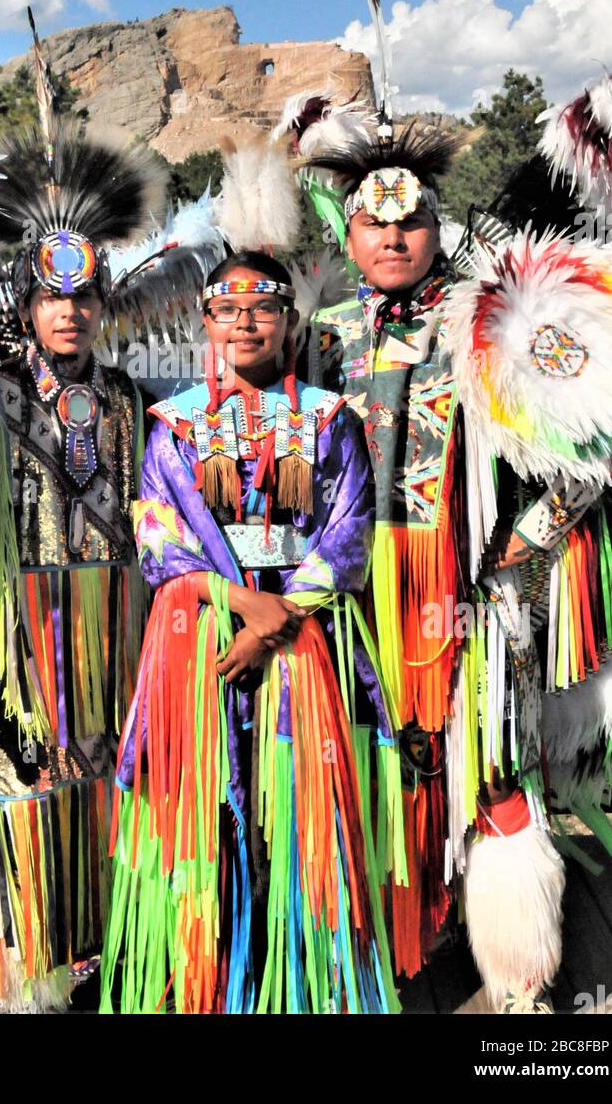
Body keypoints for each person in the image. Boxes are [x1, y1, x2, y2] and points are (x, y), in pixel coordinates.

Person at [302, 110, 612, 1013]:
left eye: (410, 222)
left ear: (434, 227)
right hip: (351, 595)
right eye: (374, 225)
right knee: (371, 760)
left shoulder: (494, 315)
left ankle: (518, 973)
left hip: (472, 591)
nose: (393, 239)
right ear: (348, 231)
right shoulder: (324, 332)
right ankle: (395, 934)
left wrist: (517, 562)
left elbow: (602, 452)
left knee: (494, 762)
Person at [0, 117, 165, 1012]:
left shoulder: (128, 398)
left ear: (101, 304)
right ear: (26, 298)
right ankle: (24, 982)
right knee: (25, 805)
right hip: (19, 651)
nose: (70, 310)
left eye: (85, 295)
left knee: (110, 804)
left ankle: (105, 963)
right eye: (53, 296)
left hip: (118, 645)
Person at [100, 250, 398, 1014]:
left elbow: (348, 535)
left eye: (261, 309)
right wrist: (239, 602)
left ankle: (299, 984)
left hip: (299, 642)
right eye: (227, 310)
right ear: (206, 321)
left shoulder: (330, 422)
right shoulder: (174, 425)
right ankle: (210, 975)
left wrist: (276, 622)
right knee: (210, 809)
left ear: (289, 321)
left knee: (299, 814)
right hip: (203, 642)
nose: (244, 323)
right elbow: (160, 539)